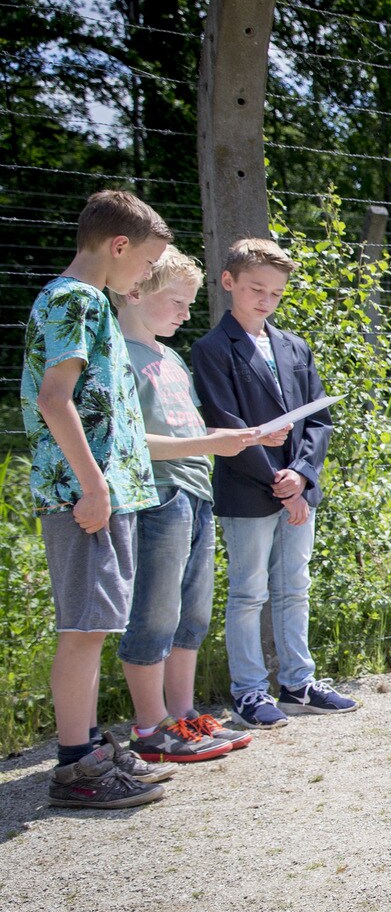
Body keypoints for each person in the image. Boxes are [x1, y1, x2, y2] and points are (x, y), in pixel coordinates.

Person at [21, 190, 173, 809]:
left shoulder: (88, 302)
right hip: (86, 495)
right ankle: (75, 767)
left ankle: (84, 749)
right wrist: (92, 484)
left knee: (96, 623)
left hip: (103, 493)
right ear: (117, 246)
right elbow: (54, 399)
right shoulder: (74, 300)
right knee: (84, 628)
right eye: (143, 264)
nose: (143, 277)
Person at [111, 246, 285, 762]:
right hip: (156, 494)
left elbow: (189, 431)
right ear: (135, 291)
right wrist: (215, 444)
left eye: (190, 303)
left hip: (196, 492)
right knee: (155, 614)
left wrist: (244, 435)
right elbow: (129, 442)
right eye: (177, 302)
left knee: (192, 615)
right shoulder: (119, 356)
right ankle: (150, 728)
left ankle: (183, 718)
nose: (187, 314)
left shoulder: (170, 359)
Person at [191, 238, 358, 729]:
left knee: (295, 586)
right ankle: (247, 692)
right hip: (247, 490)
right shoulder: (212, 350)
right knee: (248, 592)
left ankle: (297, 684)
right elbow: (223, 422)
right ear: (228, 283)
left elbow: (319, 420)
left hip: (298, 489)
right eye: (255, 289)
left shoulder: (294, 346)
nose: (265, 300)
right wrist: (276, 481)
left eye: (276, 294)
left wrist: (302, 477)